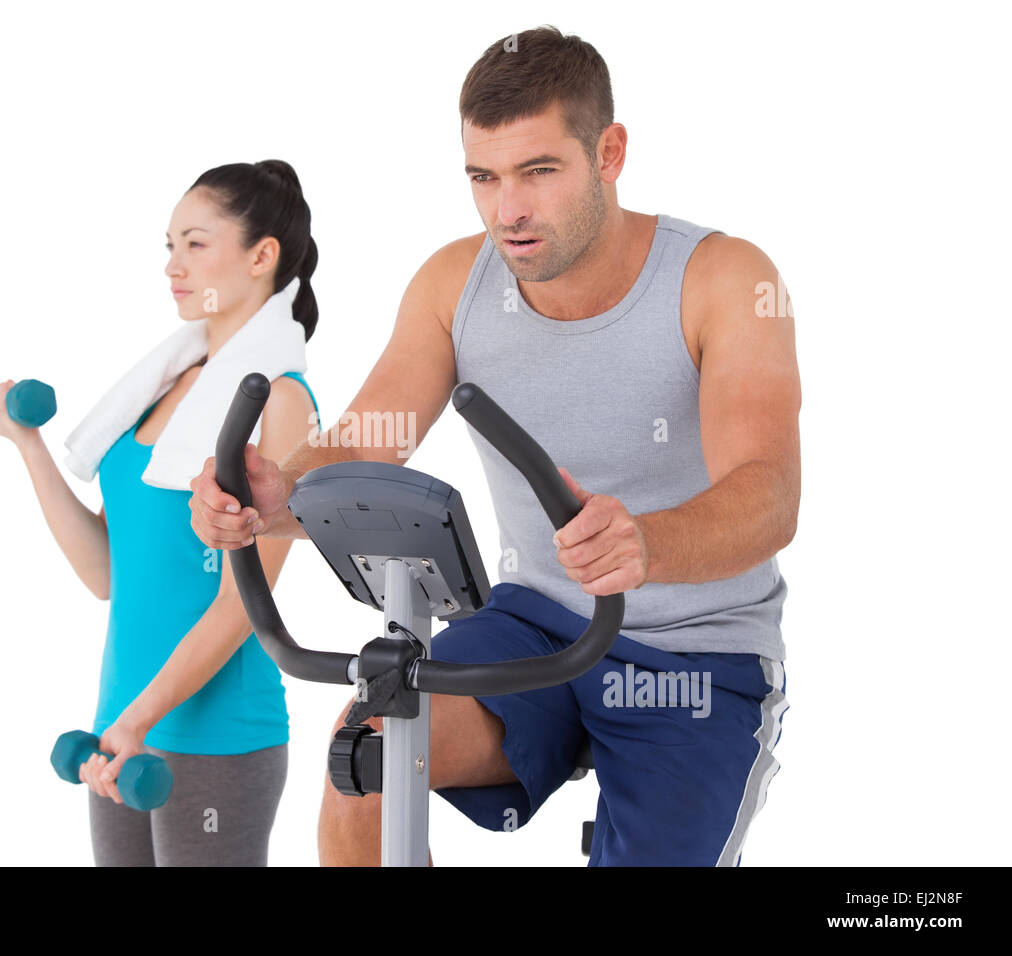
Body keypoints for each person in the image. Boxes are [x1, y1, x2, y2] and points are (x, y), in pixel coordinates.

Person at [188, 27, 799, 866]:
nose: (508, 210)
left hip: (694, 649)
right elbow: (369, 441)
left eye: (539, 172)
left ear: (609, 153)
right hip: (538, 622)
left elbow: (768, 494)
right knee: (365, 752)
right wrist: (277, 497)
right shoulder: (455, 284)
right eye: (485, 177)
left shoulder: (722, 280)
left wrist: (643, 544)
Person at [0, 159, 322, 865]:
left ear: (261, 256)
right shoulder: (161, 388)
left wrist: (137, 721)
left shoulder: (281, 403)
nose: (173, 265)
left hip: (219, 737)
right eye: (168, 246)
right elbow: (109, 571)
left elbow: (242, 604)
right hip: (122, 725)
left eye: (195, 243)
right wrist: (27, 443)